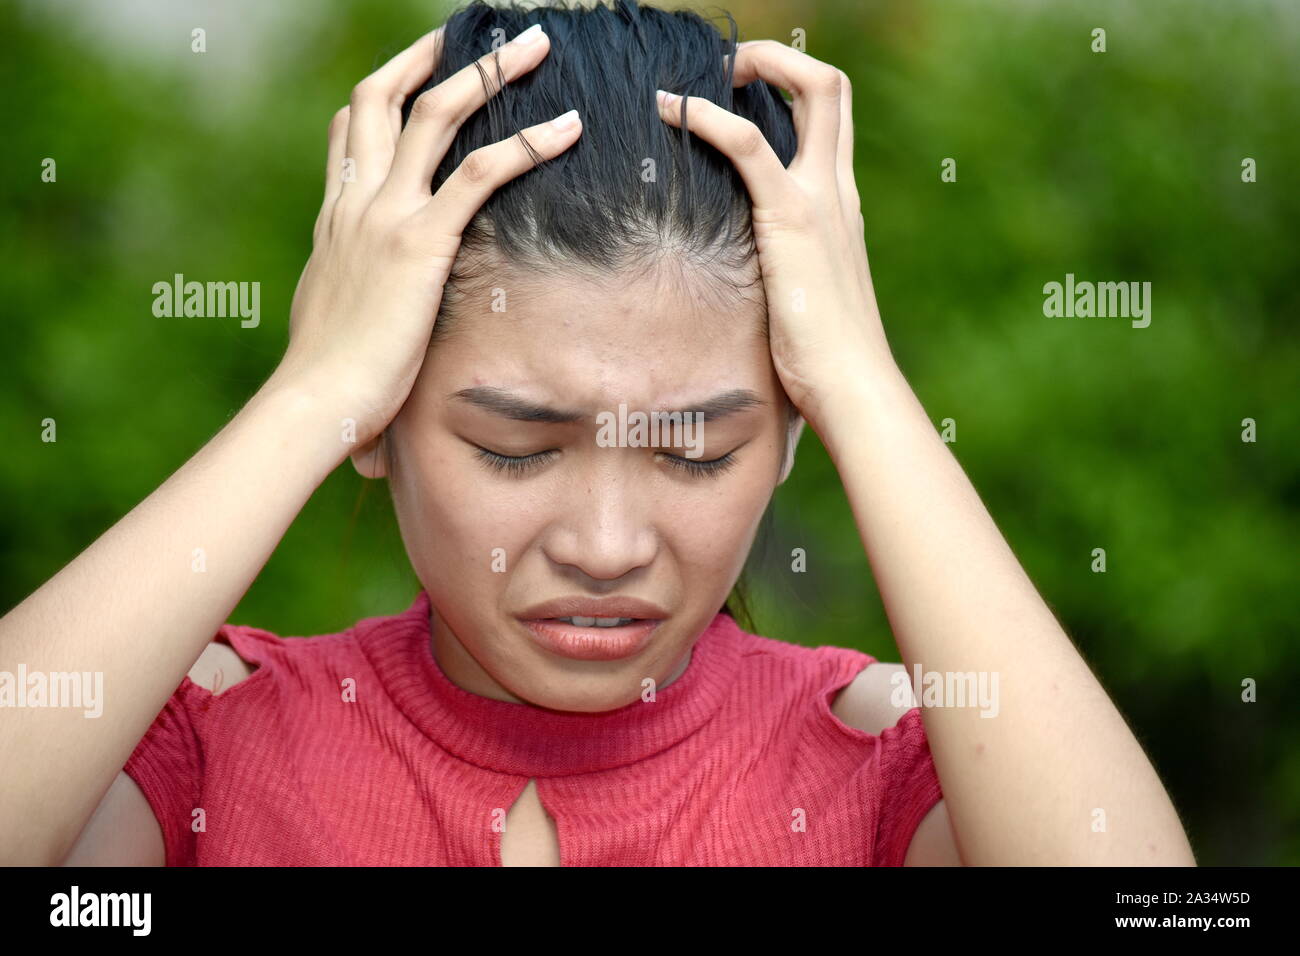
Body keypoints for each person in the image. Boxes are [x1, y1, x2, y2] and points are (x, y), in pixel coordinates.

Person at [0, 0, 1195, 866]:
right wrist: (309, 392)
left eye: (696, 450)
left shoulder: (878, 764)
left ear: (790, 429)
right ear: (382, 419)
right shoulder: (208, 742)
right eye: (516, 446)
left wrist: (863, 381)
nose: (609, 543)